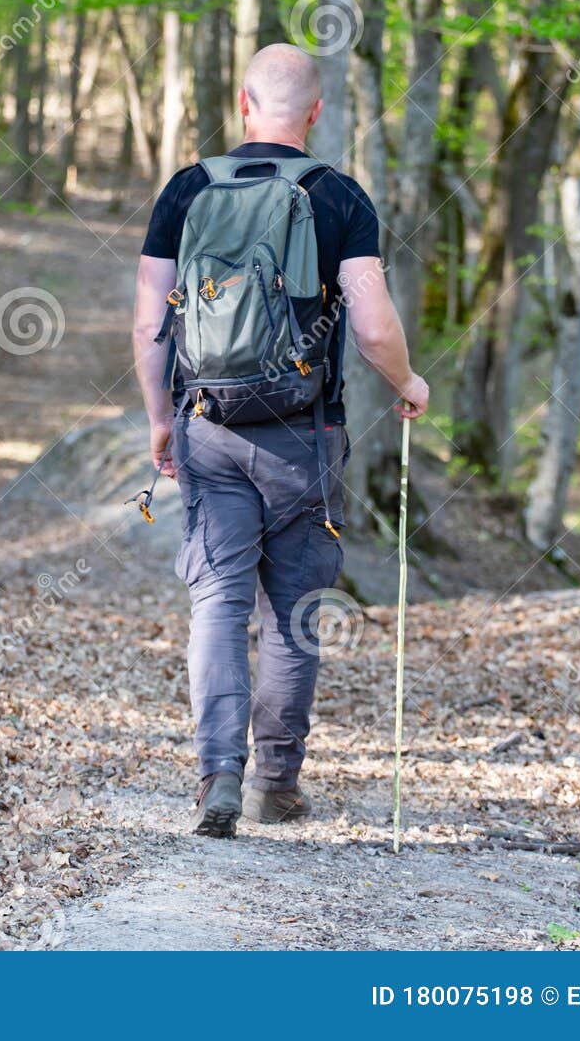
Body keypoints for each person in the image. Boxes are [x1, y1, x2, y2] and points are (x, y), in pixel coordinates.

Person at [132, 43, 429, 836]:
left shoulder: (188, 190)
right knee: (293, 611)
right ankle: (276, 784)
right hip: (303, 435)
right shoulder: (338, 196)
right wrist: (407, 383)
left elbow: (148, 320)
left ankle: (216, 777)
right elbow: (370, 325)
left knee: (219, 604)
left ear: (242, 103)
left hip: (207, 427)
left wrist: (162, 418)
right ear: (317, 112)